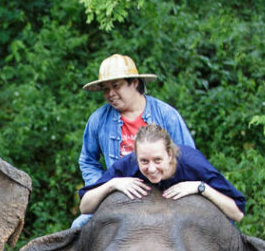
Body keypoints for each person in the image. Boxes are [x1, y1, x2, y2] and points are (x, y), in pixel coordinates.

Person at [73, 54, 195, 228]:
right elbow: (88, 160)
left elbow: (188, 156)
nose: (110, 94)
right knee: (79, 227)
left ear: (134, 83)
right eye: (105, 89)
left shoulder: (166, 115)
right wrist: (103, 185)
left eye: (116, 86)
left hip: (165, 192)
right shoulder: (98, 120)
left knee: (212, 226)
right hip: (119, 194)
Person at [79, 124, 245, 222]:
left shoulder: (193, 164)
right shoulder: (129, 165)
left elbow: (237, 214)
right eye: (144, 161)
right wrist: (112, 183)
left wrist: (200, 188)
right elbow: (85, 207)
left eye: (158, 160)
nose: (151, 169)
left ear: (170, 154)